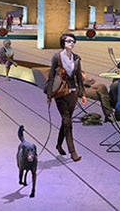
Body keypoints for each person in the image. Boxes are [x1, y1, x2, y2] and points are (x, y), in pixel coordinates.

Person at [45, 33, 86, 161]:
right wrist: (49, 95)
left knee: (66, 121)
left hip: (73, 93)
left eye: (73, 41)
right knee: (67, 121)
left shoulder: (77, 58)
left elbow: (79, 76)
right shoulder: (57, 57)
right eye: (69, 41)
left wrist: (83, 93)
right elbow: (51, 76)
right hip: (60, 94)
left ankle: (58, 144)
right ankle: (72, 151)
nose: (72, 43)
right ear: (63, 43)